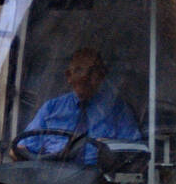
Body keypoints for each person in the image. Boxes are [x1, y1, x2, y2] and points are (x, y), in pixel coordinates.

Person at [13, 46, 142, 164]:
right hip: (52, 178)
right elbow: (20, 149)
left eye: (92, 71)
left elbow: (135, 152)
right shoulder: (51, 108)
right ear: (69, 76)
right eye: (79, 70)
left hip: (99, 182)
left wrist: (110, 148)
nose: (85, 77)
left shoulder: (118, 109)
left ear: (102, 76)